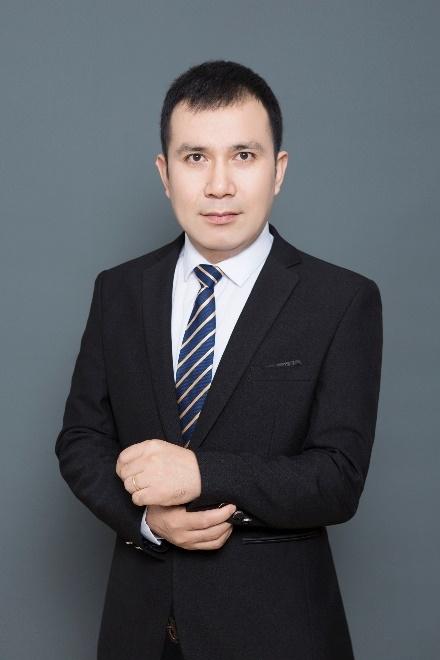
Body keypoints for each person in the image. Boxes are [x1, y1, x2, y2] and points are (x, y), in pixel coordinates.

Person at [55, 60, 383, 660]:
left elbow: (338, 479)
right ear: (165, 173)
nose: (219, 186)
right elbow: (80, 440)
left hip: (278, 636)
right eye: (195, 157)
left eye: (244, 156)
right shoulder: (119, 290)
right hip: (139, 631)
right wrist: (147, 521)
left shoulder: (341, 300)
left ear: (278, 170)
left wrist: (203, 475)